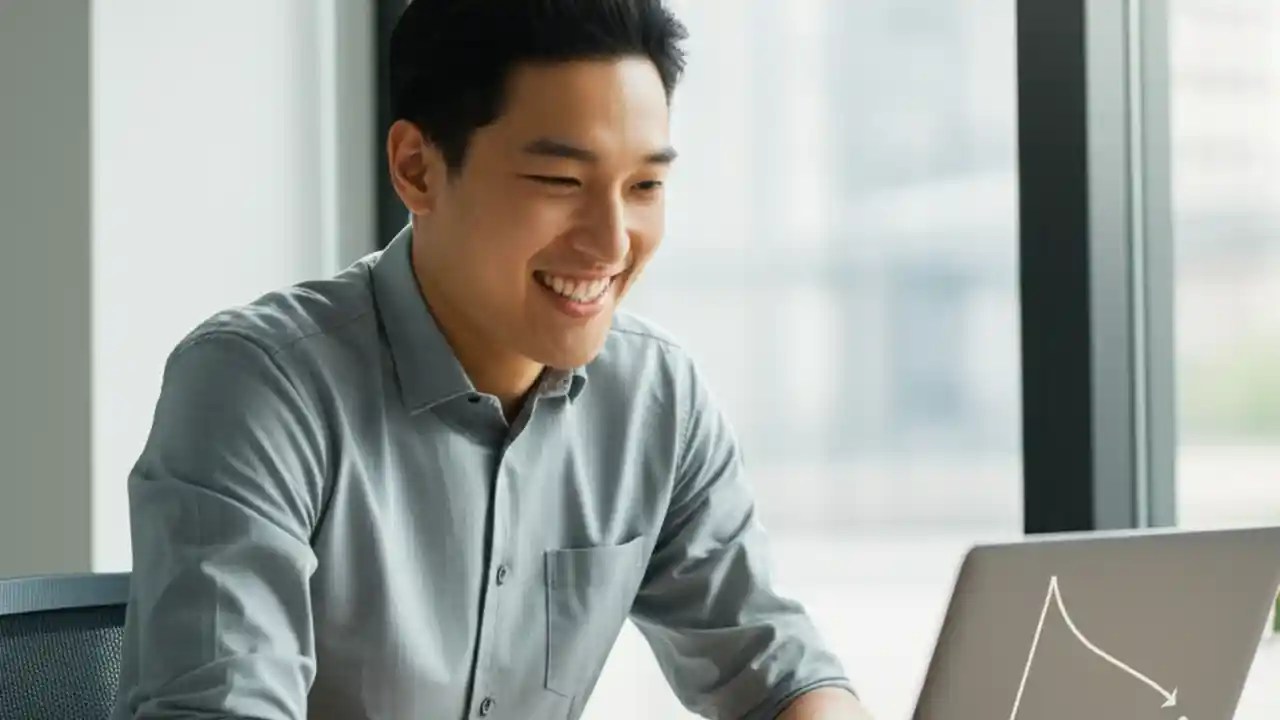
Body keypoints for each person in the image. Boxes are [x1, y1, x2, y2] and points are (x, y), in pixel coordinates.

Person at [111, 1, 872, 718]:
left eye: (645, 185)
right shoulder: (256, 387)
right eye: (560, 182)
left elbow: (778, 671)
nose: (611, 244)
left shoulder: (655, 399)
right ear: (417, 168)